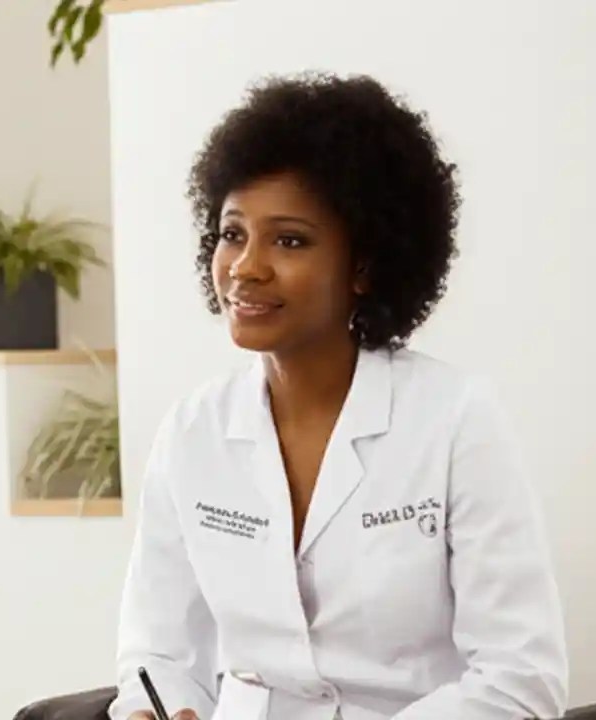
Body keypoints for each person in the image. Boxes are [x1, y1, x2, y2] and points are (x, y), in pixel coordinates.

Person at [109, 74, 568, 720]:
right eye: (233, 233)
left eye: (289, 240)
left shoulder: (456, 421)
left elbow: (522, 679)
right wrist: (154, 712)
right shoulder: (192, 433)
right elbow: (156, 655)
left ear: (365, 266)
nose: (245, 267)